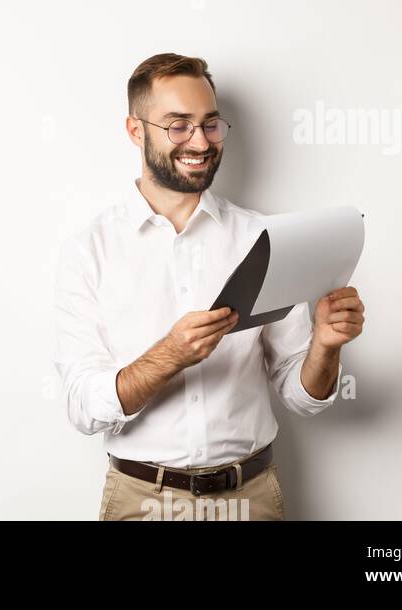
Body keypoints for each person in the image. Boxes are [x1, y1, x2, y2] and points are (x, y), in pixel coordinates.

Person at [53, 53, 366, 521]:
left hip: (251, 499)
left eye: (210, 124)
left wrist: (325, 345)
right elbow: (82, 407)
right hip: (142, 502)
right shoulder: (90, 251)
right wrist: (169, 356)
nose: (199, 141)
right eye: (178, 125)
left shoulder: (261, 240)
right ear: (135, 131)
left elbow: (302, 398)